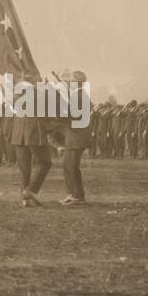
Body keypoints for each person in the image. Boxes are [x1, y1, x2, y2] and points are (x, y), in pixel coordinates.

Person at [9, 79, 52, 207]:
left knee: (24, 168)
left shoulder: (15, 96)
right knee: (45, 162)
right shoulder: (39, 94)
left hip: (18, 134)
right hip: (33, 132)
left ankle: (25, 199)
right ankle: (30, 191)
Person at [58, 70, 92, 205]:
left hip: (76, 137)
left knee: (69, 166)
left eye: (71, 81)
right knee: (72, 166)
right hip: (77, 137)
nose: (68, 83)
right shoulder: (80, 96)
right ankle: (78, 195)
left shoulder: (78, 97)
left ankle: (73, 195)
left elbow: (69, 115)